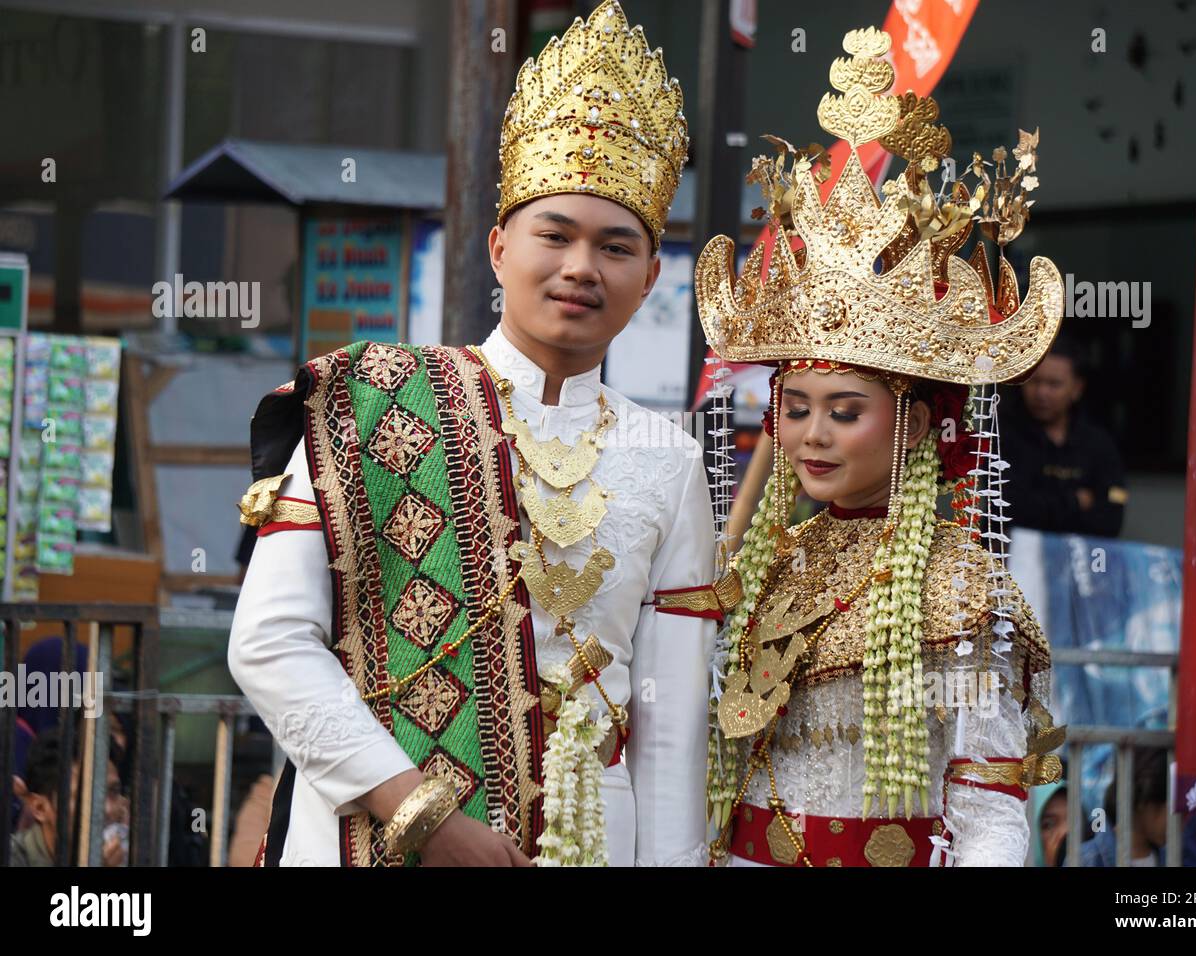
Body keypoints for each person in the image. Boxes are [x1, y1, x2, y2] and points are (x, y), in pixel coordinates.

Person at [228, 0, 713, 867]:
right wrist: (424, 815)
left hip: (588, 843)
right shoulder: (374, 403)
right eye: (554, 235)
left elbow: (670, 730)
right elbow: (269, 644)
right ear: (498, 249)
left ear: (648, 279)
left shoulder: (669, 461)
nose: (580, 268)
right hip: (371, 830)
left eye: (615, 248)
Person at [688, 25, 1064, 867]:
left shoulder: (964, 589)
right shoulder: (768, 562)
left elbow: (990, 810)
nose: (812, 435)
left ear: (915, 424)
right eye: (796, 409)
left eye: (844, 411)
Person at [1000, 337, 1127, 537]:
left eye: (1054, 384)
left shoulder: (1099, 444)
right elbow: (1007, 510)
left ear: (1077, 389)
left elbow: (1111, 519)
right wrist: (1076, 501)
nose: (1042, 392)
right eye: (1034, 381)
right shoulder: (1003, 435)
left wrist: (1041, 505)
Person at [9, 728, 127, 867]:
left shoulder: (129, 853)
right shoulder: (9, 858)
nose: (108, 809)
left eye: (113, 791)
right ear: (39, 808)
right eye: (86, 797)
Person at [1079, 746, 1168, 866]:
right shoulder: (1087, 860)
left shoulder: (1174, 857)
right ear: (1145, 801)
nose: (1181, 822)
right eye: (1172, 809)